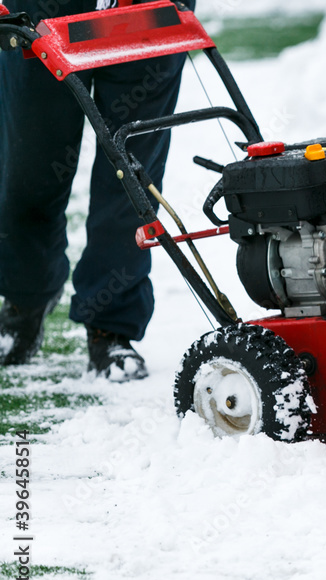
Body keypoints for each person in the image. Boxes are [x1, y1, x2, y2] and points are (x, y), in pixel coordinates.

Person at [0, 0, 194, 380]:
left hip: (147, 10)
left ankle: (111, 324)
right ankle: (27, 294)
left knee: (131, 176)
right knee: (26, 168)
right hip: (38, 9)